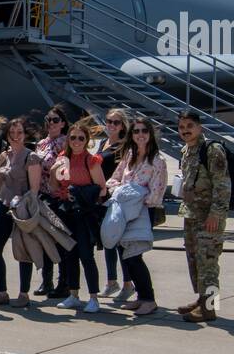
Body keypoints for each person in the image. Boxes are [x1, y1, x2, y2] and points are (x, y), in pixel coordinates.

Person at [105, 116, 168, 316]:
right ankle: (141, 297)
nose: (140, 135)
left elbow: (156, 192)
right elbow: (113, 178)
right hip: (124, 210)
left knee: (135, 256)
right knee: (127, 255)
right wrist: (123, 190)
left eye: (144, 131)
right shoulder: (129, 155)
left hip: (141, 211)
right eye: (136, 131)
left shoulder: (157, 161)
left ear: (150, 134)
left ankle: (149, 299)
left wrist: (136, 196)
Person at [177, 109, 230, 323]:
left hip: (209, 216)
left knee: (208, 263)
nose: (185, 131)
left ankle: (210, 308)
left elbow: (223, 185)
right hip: (192, 214)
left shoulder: (212, 150)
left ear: (199, 127)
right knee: (195, 260)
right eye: (181, 127)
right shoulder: (187, 151)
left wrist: (215, 214)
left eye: (190, 126)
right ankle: (202, 300)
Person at [0, 116, 43, 308]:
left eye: (19, 133)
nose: (15, 136)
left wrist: (24, 207)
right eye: (11, 133)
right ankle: (1, 291)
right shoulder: (5, 155)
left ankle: (23, 293)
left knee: (22, 250)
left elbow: (34, 189)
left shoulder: (31, 157)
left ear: (26, 134)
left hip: (22, 209)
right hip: (3, 205)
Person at [54, 117, 107, 313]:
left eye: (81, 138)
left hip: (85, 214)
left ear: (87, 140)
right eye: (73, 137)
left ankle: (93, 297)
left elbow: (102, 189)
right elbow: (58, 185)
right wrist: (64, 192)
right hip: (68, 211)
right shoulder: (62, 157)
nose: (76, 141)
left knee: (86, 255)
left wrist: (80, 193)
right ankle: (74, 294)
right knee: (70, 254)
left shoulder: (90, 160)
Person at [34, 104, 72, 298]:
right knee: (44, 240)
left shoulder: (66, 143)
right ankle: (46, 281)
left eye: (55, 120)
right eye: (48, 120)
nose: (51, 123)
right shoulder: (41, 143)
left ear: (63, 124)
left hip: (57, 197)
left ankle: (63, 283)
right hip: (41, 196)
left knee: (59, 240)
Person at [97, 107, 134, 302]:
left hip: (116, 199)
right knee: (107, 241)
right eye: (109, 121)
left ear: (122, 126)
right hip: (101, 199)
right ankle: (112, 281)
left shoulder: (124, 147)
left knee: (120, 243)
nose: (111, 125)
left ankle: (128, 284)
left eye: (116, 122)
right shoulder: (103, 143)